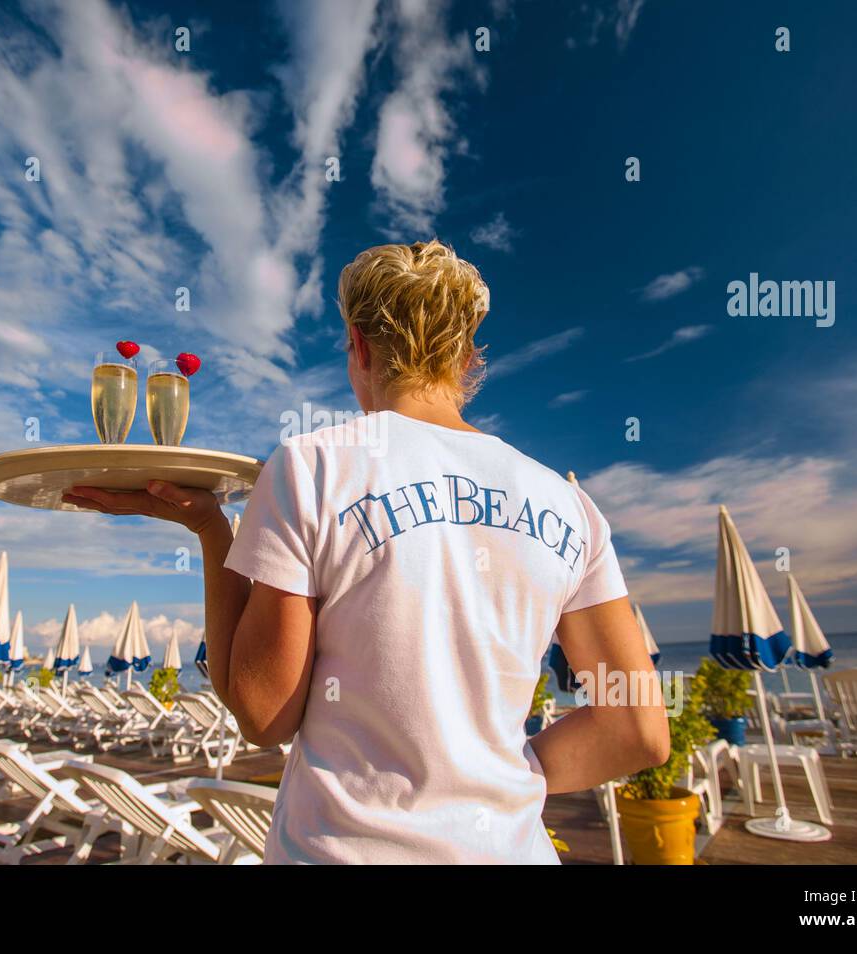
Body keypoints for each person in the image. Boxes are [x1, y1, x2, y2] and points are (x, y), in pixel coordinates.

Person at [65, 239, 669, 864]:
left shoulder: (312, 467)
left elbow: (265, 715)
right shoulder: (568, 504)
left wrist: (214, 531)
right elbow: (638, 729)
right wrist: (498, 782)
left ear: (358, 345)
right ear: (466, 357)